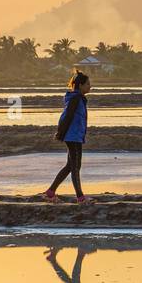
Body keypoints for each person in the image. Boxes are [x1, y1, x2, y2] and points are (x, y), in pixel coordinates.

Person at [41, 70, 92, 202]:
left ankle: (51, 191)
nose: (90, 87)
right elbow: (67, 116)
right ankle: (80, 197)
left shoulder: (79, 98)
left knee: (71, 166)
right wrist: (61, 133)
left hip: (76, 135)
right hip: (72, 136)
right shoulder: (75, 99)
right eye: (88, 84)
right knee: (75, 167)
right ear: (80, 85)